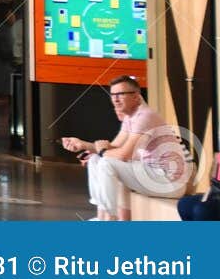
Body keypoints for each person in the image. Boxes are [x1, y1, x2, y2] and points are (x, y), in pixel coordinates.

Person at [62, 76, 189, 220]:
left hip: (169, 182)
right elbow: (113, 147)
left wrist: (103, 151)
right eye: (113, 95)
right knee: (96, 160)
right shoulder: (130, 117)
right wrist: (84, 145)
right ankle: (101, 214)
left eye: (121, 94)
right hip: (153, 174)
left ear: (135, 96)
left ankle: (109, 218)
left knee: (106, 163)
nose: (115, 99)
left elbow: (123, 155)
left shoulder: (145, 116)